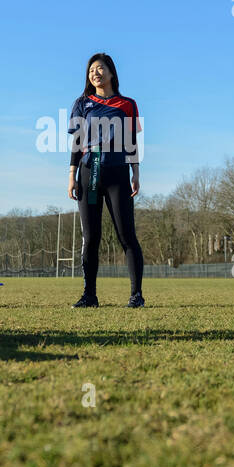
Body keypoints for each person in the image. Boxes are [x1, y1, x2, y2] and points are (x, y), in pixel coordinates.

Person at [66, 53, 144, 308]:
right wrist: (72, 176)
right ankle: (89, 295)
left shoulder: (128, 104)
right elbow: (76, 143)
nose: (95, 73)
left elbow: (132, 140)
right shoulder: (81, 104)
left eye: (100, 69)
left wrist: (135, 172)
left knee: (126, 235)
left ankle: (136, 295)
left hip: (118, 173)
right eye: (91, 70)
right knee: (91, 237)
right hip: (90, 173)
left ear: (111, 73)